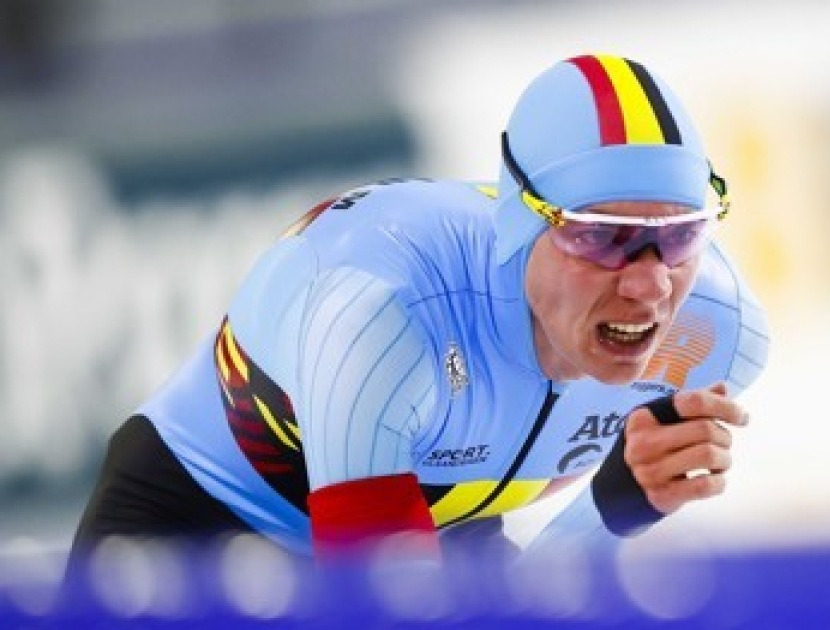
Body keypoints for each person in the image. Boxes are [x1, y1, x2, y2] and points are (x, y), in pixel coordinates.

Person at [68, 54, 770, 568]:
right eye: (603, 237)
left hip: (440, 527)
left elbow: (538, 593)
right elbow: (381, 604)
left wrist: (620, 504)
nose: (650, 286)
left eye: (681, 235)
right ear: (522, 223)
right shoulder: (386, 314)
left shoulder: (716, 330)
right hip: (199, 518)